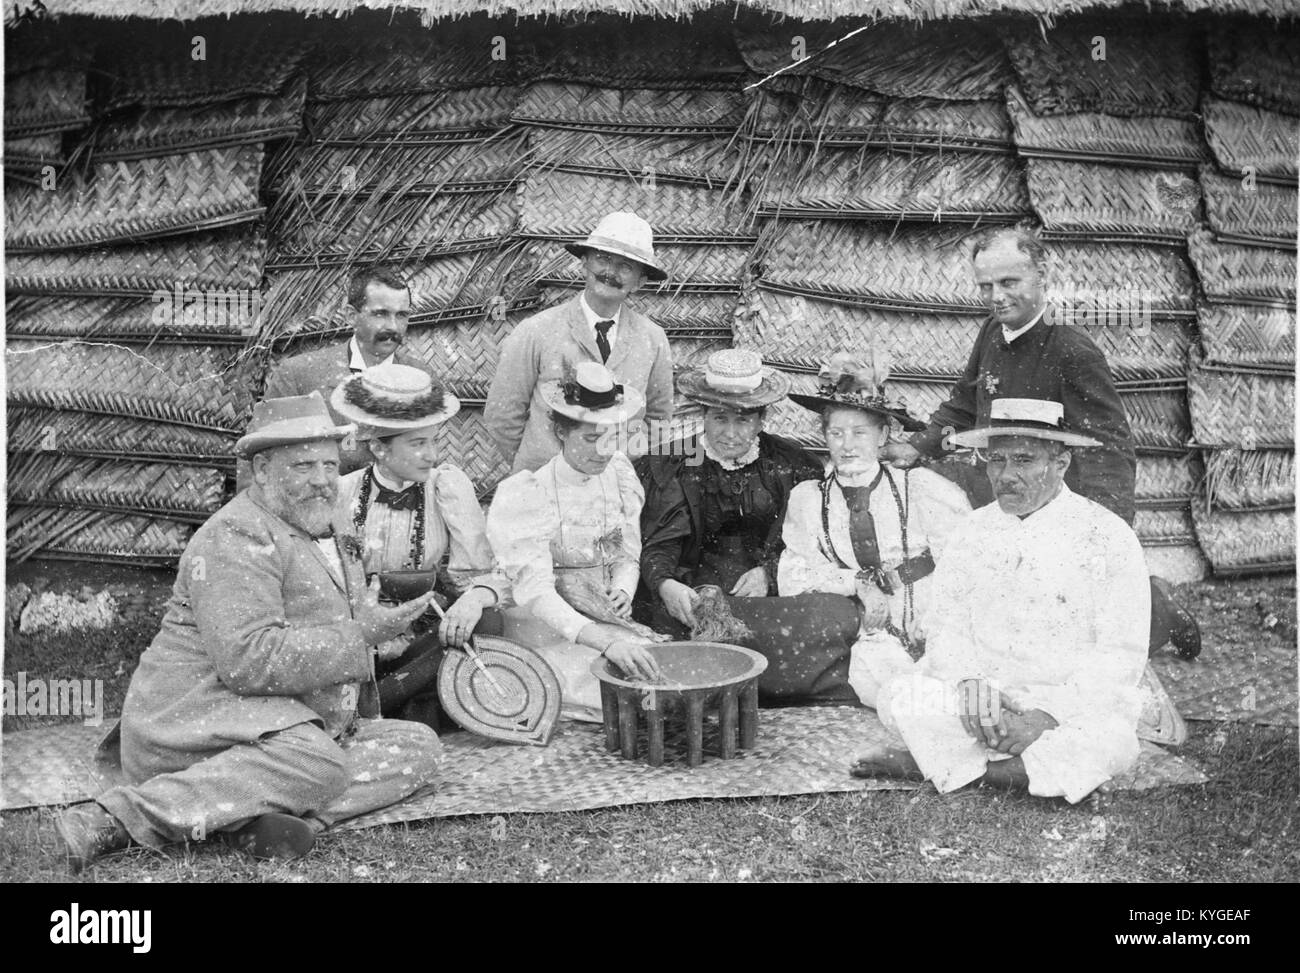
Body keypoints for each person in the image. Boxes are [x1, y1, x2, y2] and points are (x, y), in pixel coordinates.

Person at [54, 393, 442, 873]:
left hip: (282, 722)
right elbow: (248, 660)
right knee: (318, 762)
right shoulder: (235, 536)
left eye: (328, 464)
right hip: (196, 718)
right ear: (261, 470)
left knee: (417, 747)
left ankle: (263, 818)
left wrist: (363, 622)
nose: (322, 481)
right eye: (303, 467)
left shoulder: (323, 522)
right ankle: (114, 817)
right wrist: (360, 634)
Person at [880, 226, 1201, 659]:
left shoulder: (1072, 349)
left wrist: (1105, 533)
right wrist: (918, 446)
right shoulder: (991, 333)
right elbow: (962, 404)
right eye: (986, 286)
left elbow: (1108, 448)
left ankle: (1157, 611)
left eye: (1009, 282)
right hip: (1002, 489)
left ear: (1042, 275)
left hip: (1057, 506)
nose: (997, 296)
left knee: (1071, 631)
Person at [855, 398, 1150, 805]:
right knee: (901, 694)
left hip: (1065, 705)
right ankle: (1023, 772)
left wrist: (1044, 717)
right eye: (996, 460)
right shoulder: (971, 532)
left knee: (1111, 739)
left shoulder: (1107, 536)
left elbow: (1121, 655)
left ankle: (943, 766)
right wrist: (972, 686)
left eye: (1024, 460)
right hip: (980, 702)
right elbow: (945, 627)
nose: (1006, 476)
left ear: (1060, 462)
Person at [635, 349, 865, 703]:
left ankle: (739, 675)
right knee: (672, 626)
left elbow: (809, 543)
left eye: (743, 420)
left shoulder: (791, 463)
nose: (730, 433)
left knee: (836, 612)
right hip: (694, 595)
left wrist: (769, 573)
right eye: (719, 418)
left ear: (762, 420)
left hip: (771, 600)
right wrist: (665, 584)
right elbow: (659, 541)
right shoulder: (677, 461)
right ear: (703, 417)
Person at [779, 352, 972, 708]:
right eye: (836, 433)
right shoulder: (809, 499)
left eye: (859, 432)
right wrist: (857, 583)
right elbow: (795, 573)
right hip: (869, 631)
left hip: (933, 615)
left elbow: (963, 563)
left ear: (883, 434)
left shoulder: (921, 488)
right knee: (886, 687)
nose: (847, 445)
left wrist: (934, 620)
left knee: (949, 678)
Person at [331, 363, 507, 728]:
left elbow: (481, 574)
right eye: (417, 444)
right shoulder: (341, 493)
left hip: (419, 638)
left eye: (434, 441)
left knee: (488, 620)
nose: (431, 455)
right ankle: (398, 700)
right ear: (379, 448)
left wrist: (474, 599)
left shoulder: (446, 488)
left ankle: (378, 702)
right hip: (359, 637)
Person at [486, 362, 663, 722]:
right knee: (621, 693)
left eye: (611, 437)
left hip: (602, 618)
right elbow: (536, 593)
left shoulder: (619, 475)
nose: (602, 450)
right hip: (548, 629)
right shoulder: (528, 493)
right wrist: (605, 640)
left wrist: (623, 590)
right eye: (589, 438)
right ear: (560, 432)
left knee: (658, 676)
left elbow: (624, 552)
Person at [484, 211, 674, 473]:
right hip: (543, 487)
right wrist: (541, 466)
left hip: (613, 492)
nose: (610, 272)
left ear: (640, 281)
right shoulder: (536, 331)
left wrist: (621, 463)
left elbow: (658, 420)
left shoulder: (653, 340)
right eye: (603, 258)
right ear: (584, 261)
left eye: (626, 266)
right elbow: (501, 416)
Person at [261, 266, 432, 477]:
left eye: (402, 315)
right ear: (351, 315)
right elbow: (261, 457)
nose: (393, 327)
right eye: (380, 314)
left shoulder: (420, 377)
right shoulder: (299, 374)